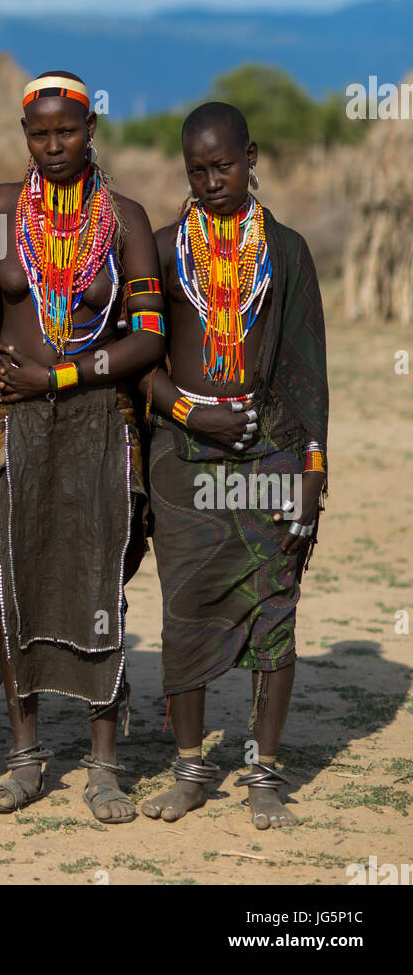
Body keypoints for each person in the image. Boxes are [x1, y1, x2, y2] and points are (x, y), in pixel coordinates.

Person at [0, 71, 164, 823]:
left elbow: (146, 338)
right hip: (14, 424)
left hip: (97, 420)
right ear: (25, 136)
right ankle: (22, 761)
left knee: (96, 586)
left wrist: (54, 374)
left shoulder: (123, 220)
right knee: (14, 582)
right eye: (39, 134)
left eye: (67, 131)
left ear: (91, 130)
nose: (53, 146)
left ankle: (104, 766)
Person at [140, 102, 327, 830]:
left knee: (272, 612)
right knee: (184, 614)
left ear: (250, 156)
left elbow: (308, 375)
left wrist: (309, 480)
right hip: (183, 458)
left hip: (272, 452)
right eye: (195, 169)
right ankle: (188, 771)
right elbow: (139, 365)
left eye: (222, 165)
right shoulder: (159, 250)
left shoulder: (286, 251)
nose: (210, 180)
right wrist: (191, 413)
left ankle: (262, 774)